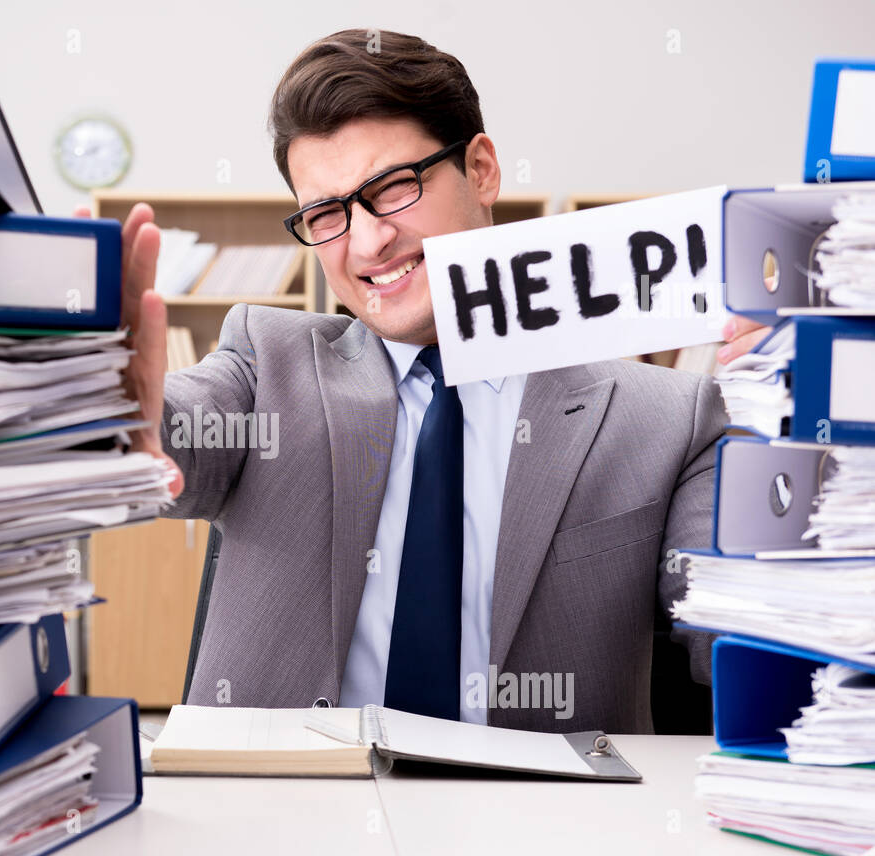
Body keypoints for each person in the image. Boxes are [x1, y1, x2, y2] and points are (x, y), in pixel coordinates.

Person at [84, 29, 770, 733]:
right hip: (285, 815)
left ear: (481, 170)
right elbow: (172, 433)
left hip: (538, 828)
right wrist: (103, 409)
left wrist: (810, 423)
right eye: (326, 214)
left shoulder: (672, 419)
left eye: (391, 188)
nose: (366, 242)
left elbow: (753, 638)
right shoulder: (268, 363)